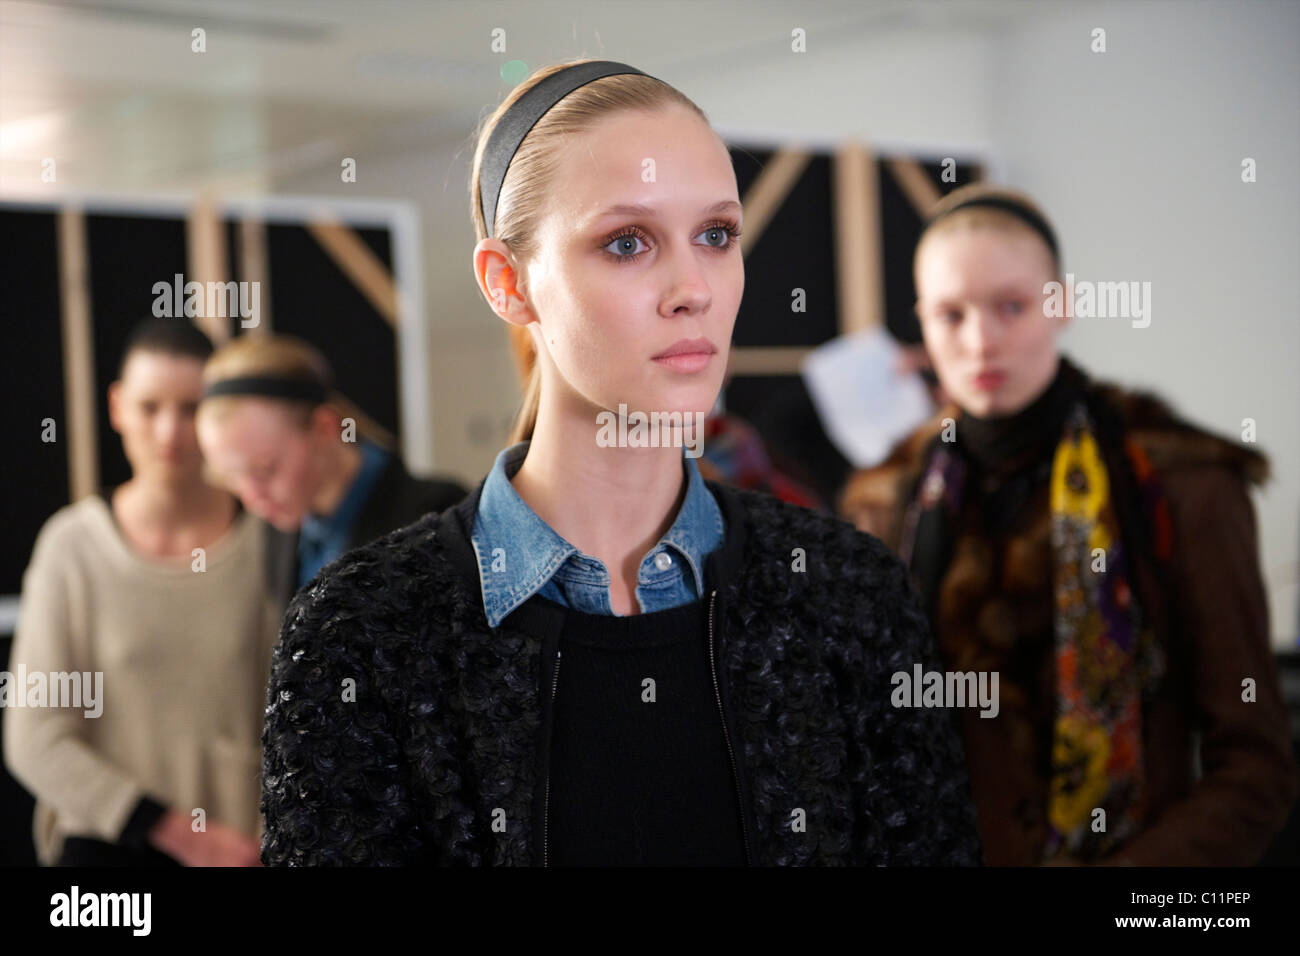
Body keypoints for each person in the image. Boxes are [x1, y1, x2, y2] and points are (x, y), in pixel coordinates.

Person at [260, 59, 983, 866]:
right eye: (627, 242)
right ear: (509, 283)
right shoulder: (363, 634)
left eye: (716, 235)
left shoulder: (849, 595)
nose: (692, 289)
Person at [838, 183, 1299, 865]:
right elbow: (859, 741)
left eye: (1012, 306)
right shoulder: (886, 504)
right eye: (949, 314)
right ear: (922, 323)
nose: (980, 342)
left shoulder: (1180, 486)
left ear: (1063, 304)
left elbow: (1256, 764)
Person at [3, 317, 278, 866]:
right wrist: (186, 837)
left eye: (191, 407)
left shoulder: (270, 542)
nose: (169, 433)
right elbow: (35, 738)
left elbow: (289, 717)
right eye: (150, 408)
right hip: (103, 862)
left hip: (246, 855)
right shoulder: (72, 547)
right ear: (117, 408)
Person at [194, 333, 467, 611]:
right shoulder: (281, 527)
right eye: (231, 477)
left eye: (265, 470)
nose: (251, 498)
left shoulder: (437, 518)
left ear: (324, 428)